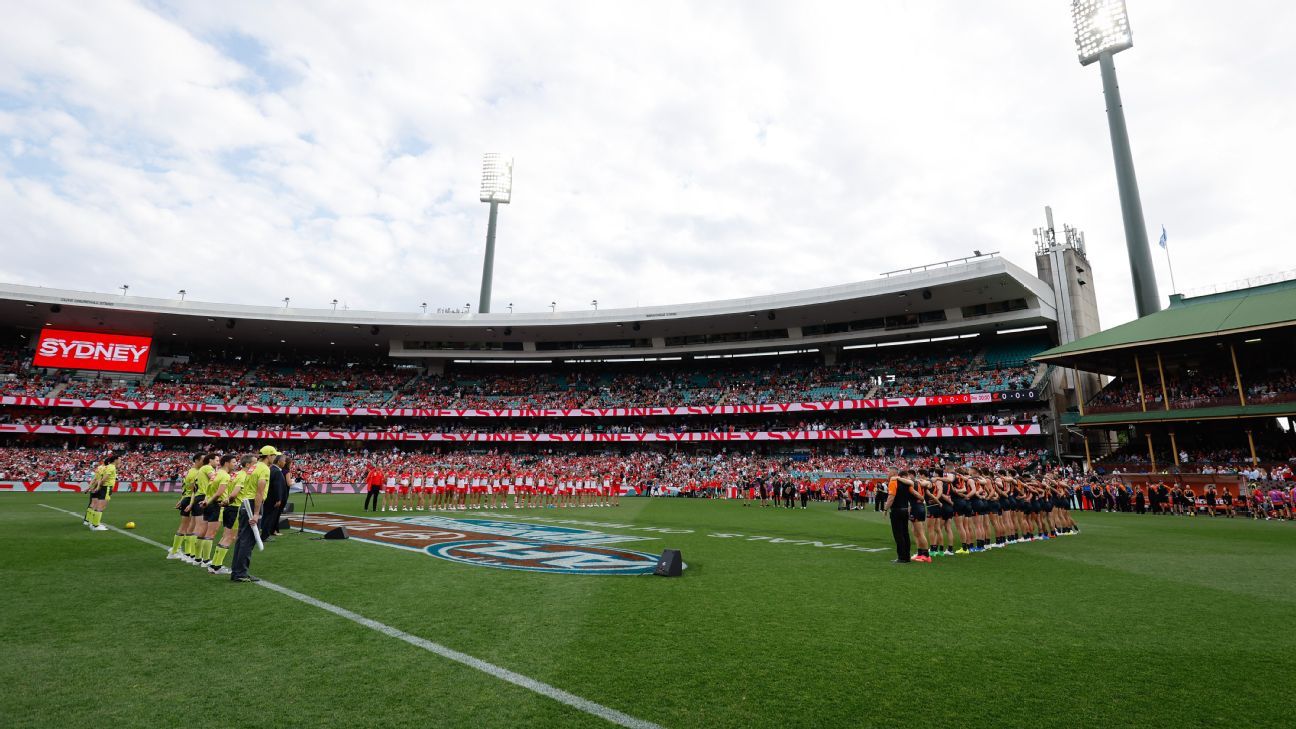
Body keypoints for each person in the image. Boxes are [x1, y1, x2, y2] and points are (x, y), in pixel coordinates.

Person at [230, 445, 276, 583]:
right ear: (269, 456)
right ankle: (241, 573)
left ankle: (236, 571)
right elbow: (259, 491)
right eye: (274, 455)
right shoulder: (264, 469)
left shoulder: (253, 467)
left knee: (241, 539)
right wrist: (256, 513)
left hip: (245, 503)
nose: (275, 458)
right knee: (247, 540)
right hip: (252, 504)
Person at [882, 468, 912, 564]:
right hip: (905, 510)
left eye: (889, 472)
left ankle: (901, 557)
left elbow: (891, 497)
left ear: (893, 473)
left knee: (898, 534)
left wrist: (885, 509)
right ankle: (907, 556)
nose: (887, 474)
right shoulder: (906, 482)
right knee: (905, 533)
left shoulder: (893, 482)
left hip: (897, 510)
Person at [82, 453, 119, 531]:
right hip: (105, 487)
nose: (120, 461)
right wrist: (97, 487)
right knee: (100, 505)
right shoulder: (110, 467)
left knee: (94, 504)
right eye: (119, 459)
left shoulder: (100, 468)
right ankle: (95, 525)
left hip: (99, 486)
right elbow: (102, 479)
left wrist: (90, 487)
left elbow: (96, 478)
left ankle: (90, 521)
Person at [262, 455, 290, 541]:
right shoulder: (277, 471)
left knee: (267, 516)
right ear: (279, 462)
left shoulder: (271, 469)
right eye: (284, 461)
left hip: (269, 498)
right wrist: (278, 499)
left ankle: (265, 534)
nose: (285, 463)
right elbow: (277, 486)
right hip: (273, 499)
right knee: (269, 517)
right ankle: (265, 536)